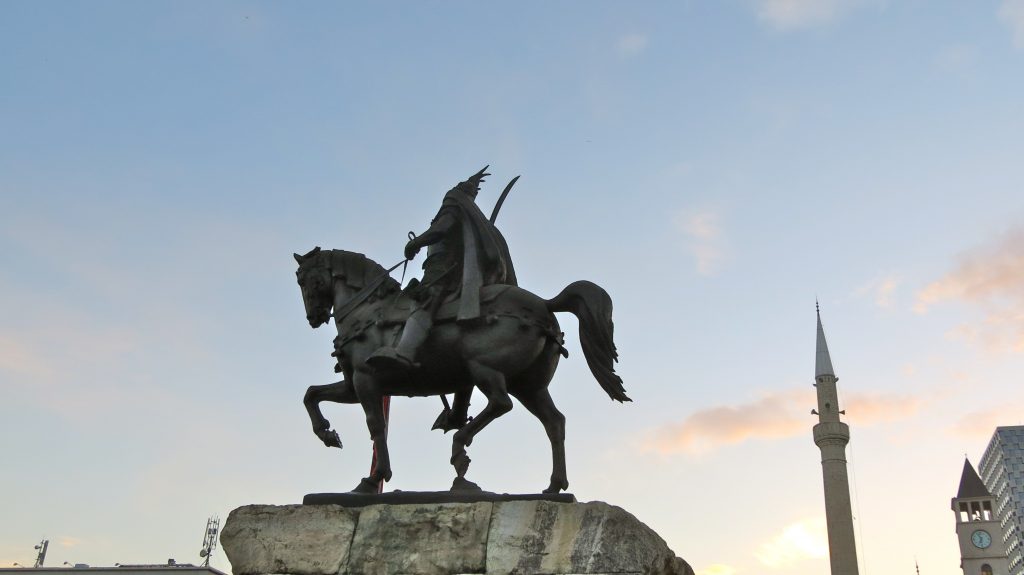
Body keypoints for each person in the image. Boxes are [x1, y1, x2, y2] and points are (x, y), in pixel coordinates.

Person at [366, 166, 517, 373]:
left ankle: (405, 351)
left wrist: (416, 243)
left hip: (444, 268)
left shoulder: (454, 202)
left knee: (426, 299)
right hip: (445, 266)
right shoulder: (467, 211)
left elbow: (440, 229)